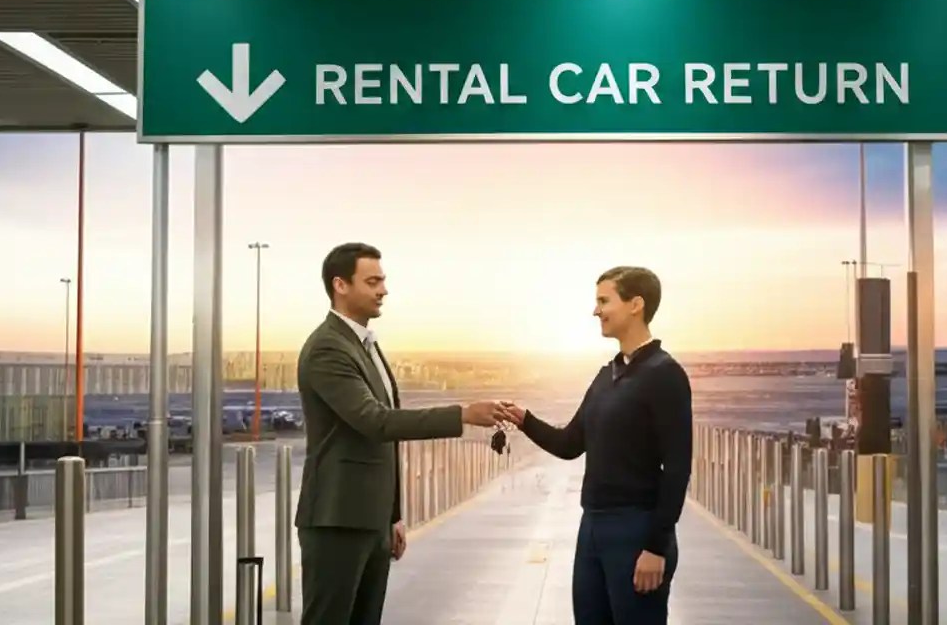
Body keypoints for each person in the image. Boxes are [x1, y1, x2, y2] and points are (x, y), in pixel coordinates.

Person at [296, 242, 507, 625]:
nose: (383, 290)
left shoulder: (364, 344)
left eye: (383, 280)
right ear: (340, 285)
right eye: (372, 281)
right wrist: (462, 415)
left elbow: (383, 441)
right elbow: (376, 422)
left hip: (370, 521)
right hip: (337, 518)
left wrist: (391, 516)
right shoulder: (328, 347)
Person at [502, 266, 693, 625]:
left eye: (604, 301)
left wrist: (656, 546)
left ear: (636, 304)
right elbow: (571, 443)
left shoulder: (665, 374)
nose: (596, 311)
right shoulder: (607, 375)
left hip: (636, 528)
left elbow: (678, 468)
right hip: (592, 526)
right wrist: (524, 419)